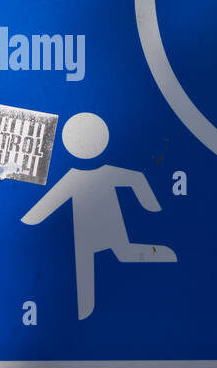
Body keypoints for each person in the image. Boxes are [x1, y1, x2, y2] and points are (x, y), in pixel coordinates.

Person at [21, 112, 176, 319]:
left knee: (117, 255)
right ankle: (85, 310)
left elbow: (136, 179)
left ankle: (165, 253)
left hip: (103, 227)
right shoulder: (79, 177)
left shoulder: (78, 178)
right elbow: (136, 179)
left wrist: (30, 219)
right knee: (94, 263)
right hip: (87, 231)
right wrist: (150, 205)